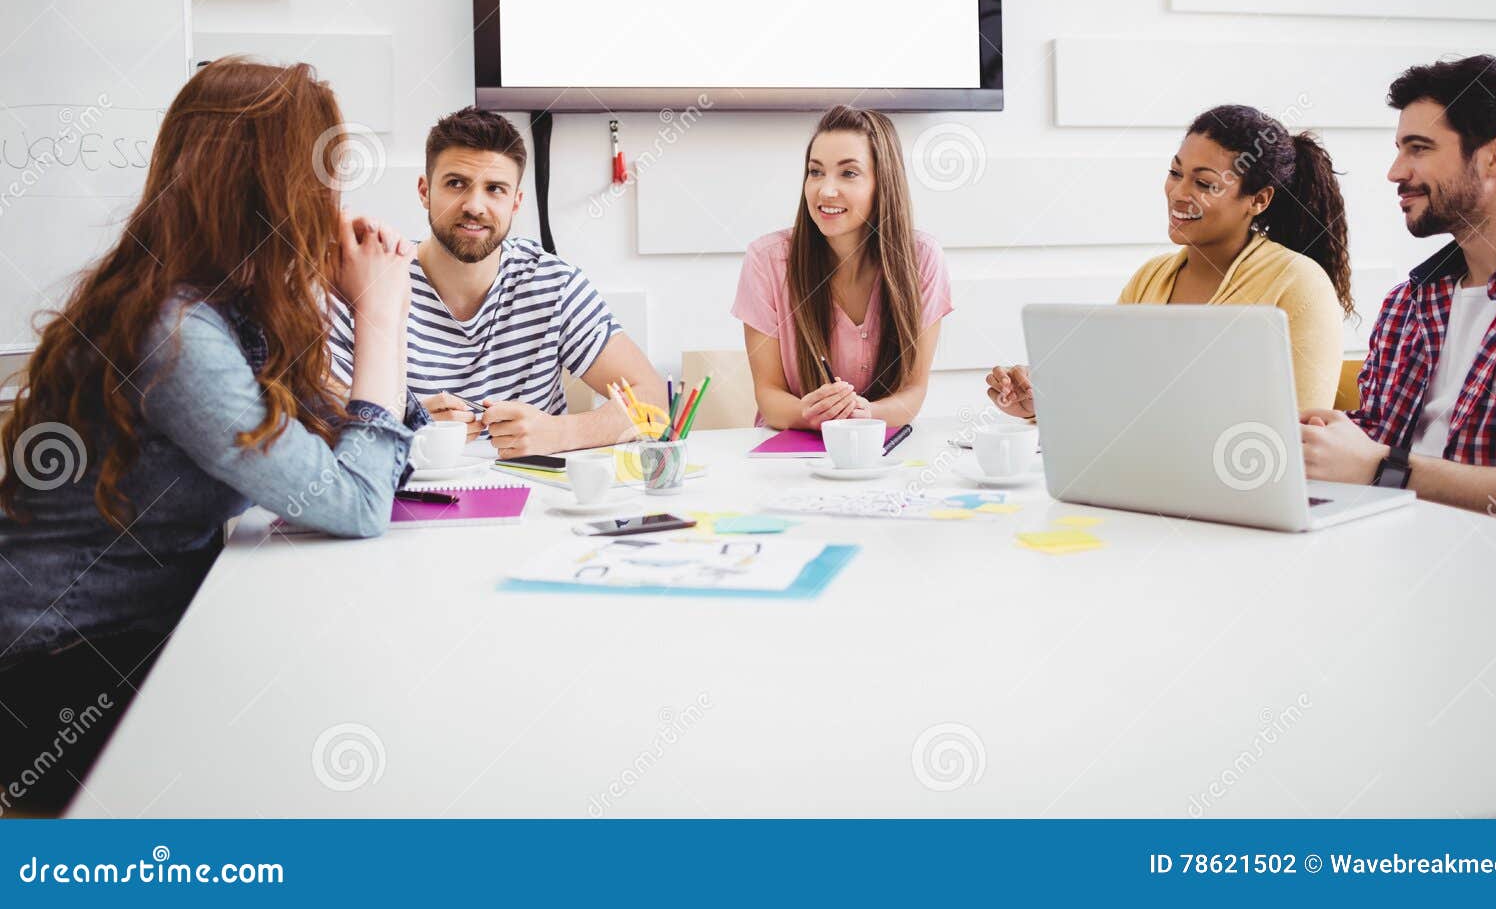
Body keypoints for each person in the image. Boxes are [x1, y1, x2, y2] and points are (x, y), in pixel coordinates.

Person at [0, 58, 419, 814]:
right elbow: (357, 499)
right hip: (60, 672)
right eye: (319, 179)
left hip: (138, 633)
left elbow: (361, 447)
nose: (333, 204)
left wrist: (363, 303)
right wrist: (381, 315)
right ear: (269, 191)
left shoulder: (225, 310)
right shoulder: (178, 332)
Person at [1300, 55, 1496, 538]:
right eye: (1400, 149)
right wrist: (1324, 440)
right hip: (1385, 558)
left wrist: (1384, 467)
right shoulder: (1408, 303)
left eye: (1418, 148)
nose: (1396, 172)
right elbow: (1372, 443)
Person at [327, 107, 665, 457]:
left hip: (539, 502)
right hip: (410, 503)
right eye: (456, 183)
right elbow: (311, 423)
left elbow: (653, 400)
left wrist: (562, 432)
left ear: (516, 202)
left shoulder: (553, 284)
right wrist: (409, 420)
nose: (475, 206)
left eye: (495, 189)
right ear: (425, 191)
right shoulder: (369, 282)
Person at [987, 104, 1353, 418]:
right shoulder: (1150, 278)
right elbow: (1106, 400)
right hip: (1148, 481)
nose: (1178, 194)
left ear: (1258, 200)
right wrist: (1041, 404)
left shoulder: (1299, 284)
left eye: (1204, 184)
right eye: (1176, 173)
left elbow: (1302, 436)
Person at [733, 105, 953, 430]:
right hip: (791, 458)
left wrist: (864, 416)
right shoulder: (767, 260)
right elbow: (769, 395)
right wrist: (810, 414)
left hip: (880, 454)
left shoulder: (922, 258)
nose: (825, 190)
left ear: (883, 183)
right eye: (816, 172)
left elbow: (913, 393)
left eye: (848, 173)